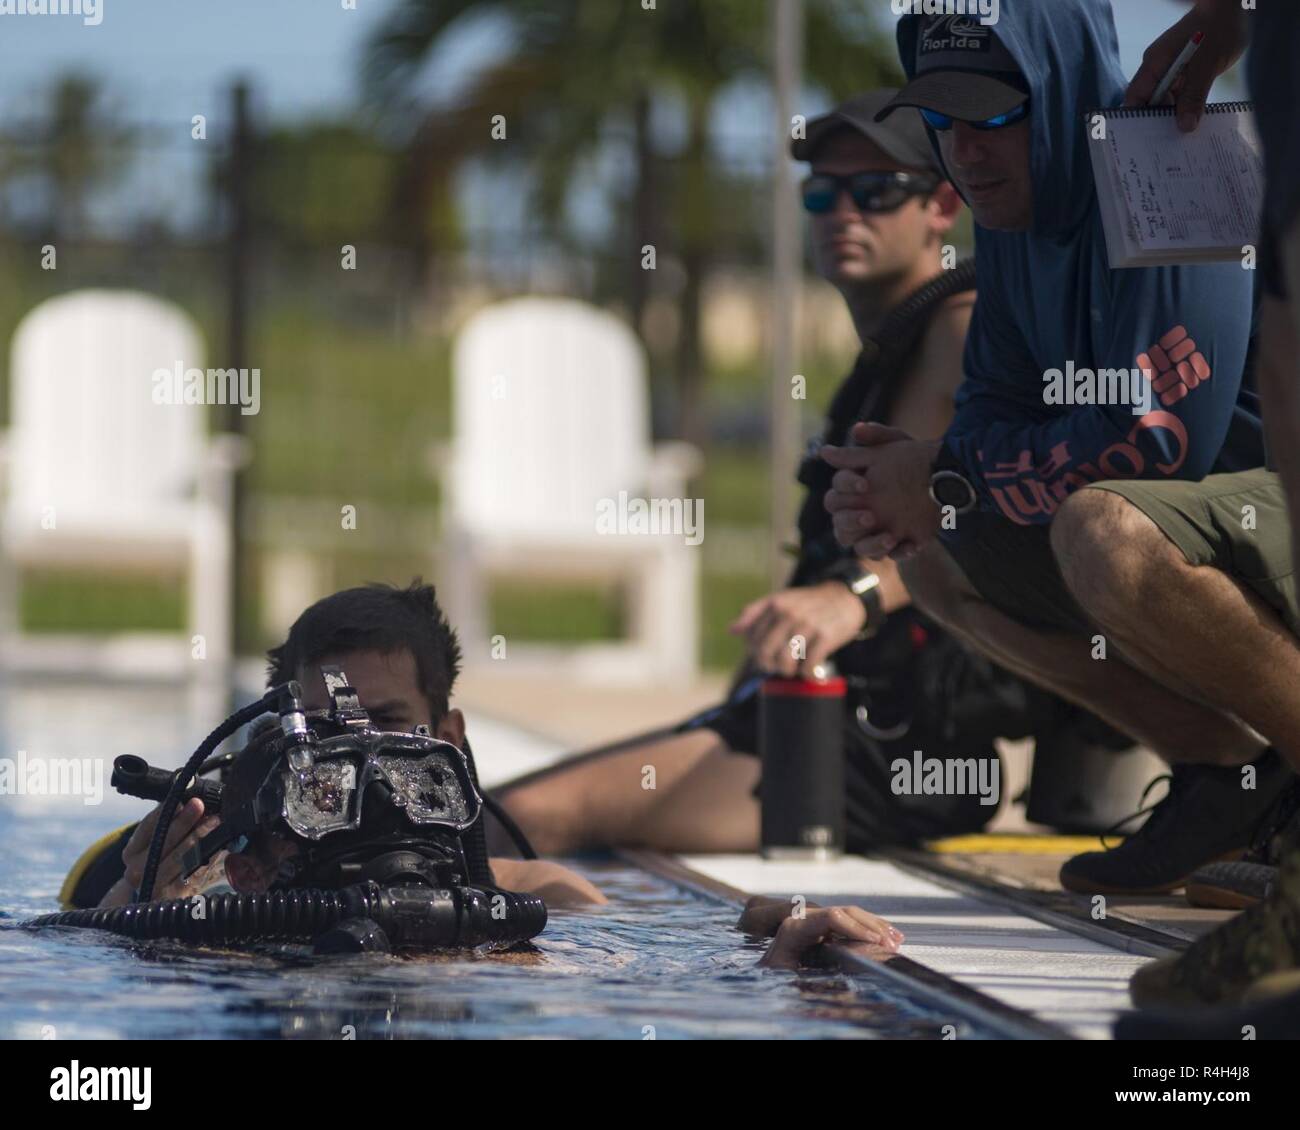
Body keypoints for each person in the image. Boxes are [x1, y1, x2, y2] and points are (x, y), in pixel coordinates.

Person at [489, 89, 1097, 860]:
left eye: (876, 191)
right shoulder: (898, 343)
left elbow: (1021, 507)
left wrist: (854, 596)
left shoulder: (962, 332)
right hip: (819, 713)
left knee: (528, 821)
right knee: (514, 813)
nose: (844, 211)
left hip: (891, 745)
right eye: (823, 192)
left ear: (942, 206)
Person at [822, 1, 1298, 906]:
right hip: (1206, 527)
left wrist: (944, 473)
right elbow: (992, 408)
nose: (964, 149)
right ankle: (1231, 779)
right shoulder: (1005, 217)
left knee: (1104, 532)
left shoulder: (1176, 159)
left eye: (995, 113)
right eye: (942, 118)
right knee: (934, 558)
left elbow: (1159, 444)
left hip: (1269, 508)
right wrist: (911, 484)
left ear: (1064, 85)